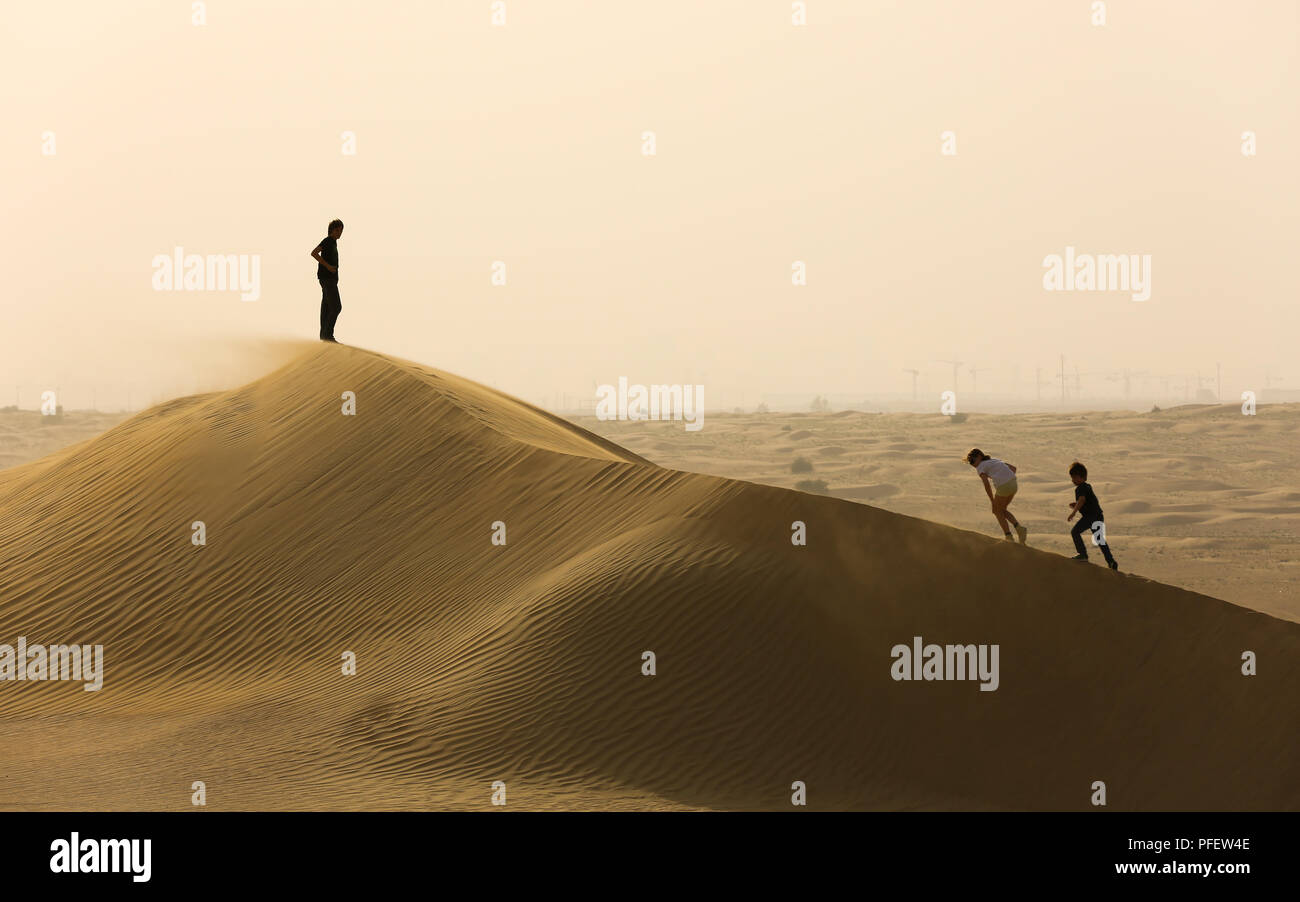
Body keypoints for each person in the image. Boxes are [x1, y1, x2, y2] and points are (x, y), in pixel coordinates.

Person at [966, 448, 1028, 543]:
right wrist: (1003, 476)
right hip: (1013, 483)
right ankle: (1019, 529)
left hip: (1004, 486)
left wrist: (992, 500)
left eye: (972, 460)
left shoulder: (980, 467)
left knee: (996, 510)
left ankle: (1009, 536)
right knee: (1002, 509)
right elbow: (1013, 468)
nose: (972, 463)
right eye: (970, 462)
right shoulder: (994, 460)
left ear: (979, 456)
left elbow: (986, 484)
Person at [1066, 461, 1118, 570]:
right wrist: (1076, 505)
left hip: (1090, 517)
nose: (1073, 480)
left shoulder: (1080, 488)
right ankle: (1111, 561)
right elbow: (1085, 502)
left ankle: (1082, 554)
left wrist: (1074, 512)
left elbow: (1082, 500)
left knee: (1075, 532)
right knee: (1100, 540)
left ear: (1082, 477)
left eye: (1075, 477)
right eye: (1072, 478)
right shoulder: (1088, 486)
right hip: (1098, 515)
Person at [311, 219, 344, 342]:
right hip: (327, 279)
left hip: (329, 280)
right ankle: (327, 335)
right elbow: (314, 253)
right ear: (332, 230)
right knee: (336, 307)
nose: (339, 232)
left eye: (341, 230)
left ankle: (323, 336)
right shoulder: (328, 241)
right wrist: (328, 266)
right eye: (337, 230)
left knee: (326, 308)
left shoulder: (333, 242)